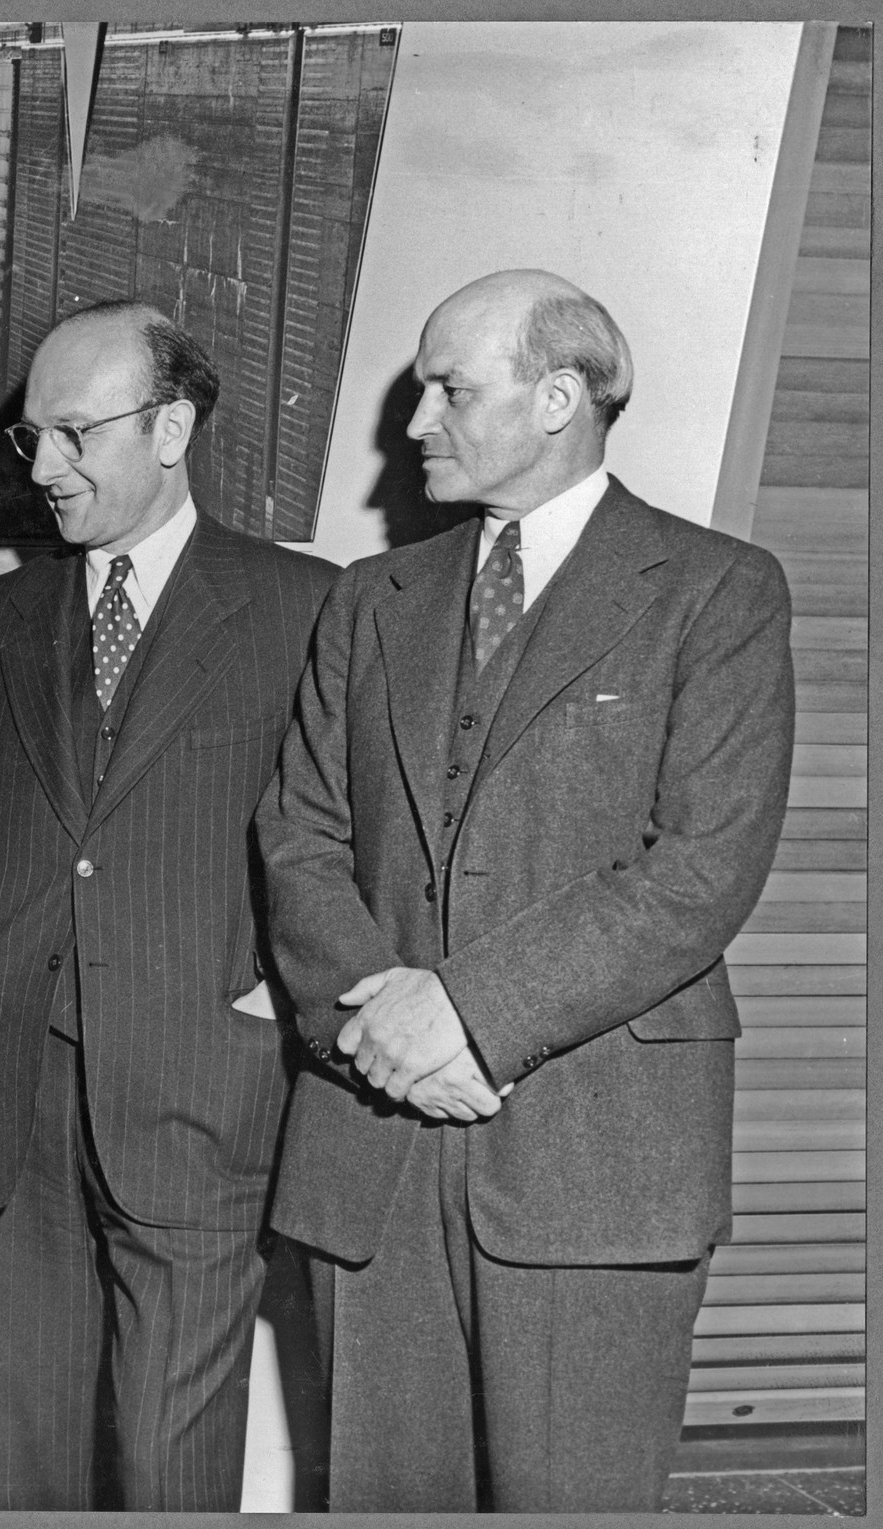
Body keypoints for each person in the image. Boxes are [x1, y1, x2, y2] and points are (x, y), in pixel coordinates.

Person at [257, 269, 794, 1511]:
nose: (414, 423)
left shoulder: (716, 590)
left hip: (597, 1166)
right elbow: (298, 834)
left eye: (449, 389)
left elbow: (701, 866)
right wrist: (372, 1026)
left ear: (557, 399)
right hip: (369, 1146)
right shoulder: (366, 598)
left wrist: (461, 1010)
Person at [0, 302, 335, 1510]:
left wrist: (269, 990)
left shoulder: (302, 607)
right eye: (28, 439)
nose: (41, 467)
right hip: (21, 1083)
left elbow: (344, 840)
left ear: (171, 427)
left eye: (72, 434)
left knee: (169, 1453)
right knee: (28, 1454)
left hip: (206, 1082)